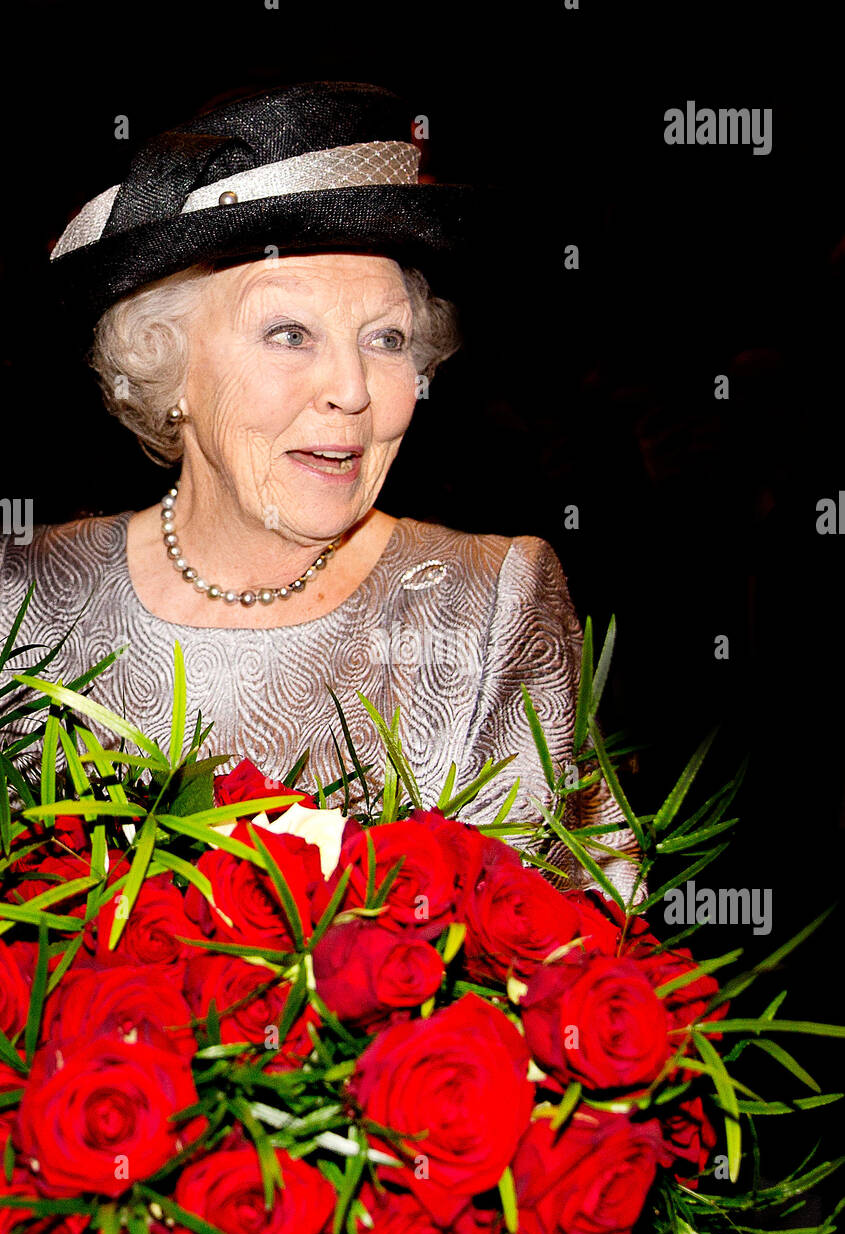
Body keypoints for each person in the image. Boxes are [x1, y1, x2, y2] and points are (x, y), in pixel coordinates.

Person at [0, 81, 640, 900]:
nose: (352, 389)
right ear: (167, 368)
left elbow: (576, 940)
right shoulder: (22, 595)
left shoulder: (492, 604)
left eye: (385, 339)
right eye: (288, 333)